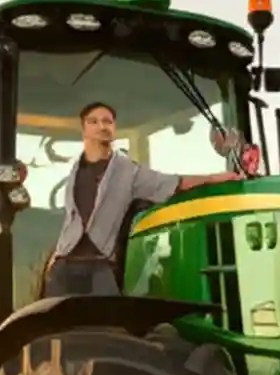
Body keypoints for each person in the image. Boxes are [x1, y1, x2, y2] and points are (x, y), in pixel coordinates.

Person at [42, 101, 240, 298]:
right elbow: (72, 219)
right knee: (52, 324)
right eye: (94, 121)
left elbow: (173, 183)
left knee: (105, 325)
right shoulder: (76, 170)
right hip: (64, 265)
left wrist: (215, 178)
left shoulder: (129, 171)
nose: (102, 126)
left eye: (107, 122)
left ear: (114, 128)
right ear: (84, 128)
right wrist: (55, 257)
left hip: (99, 265)